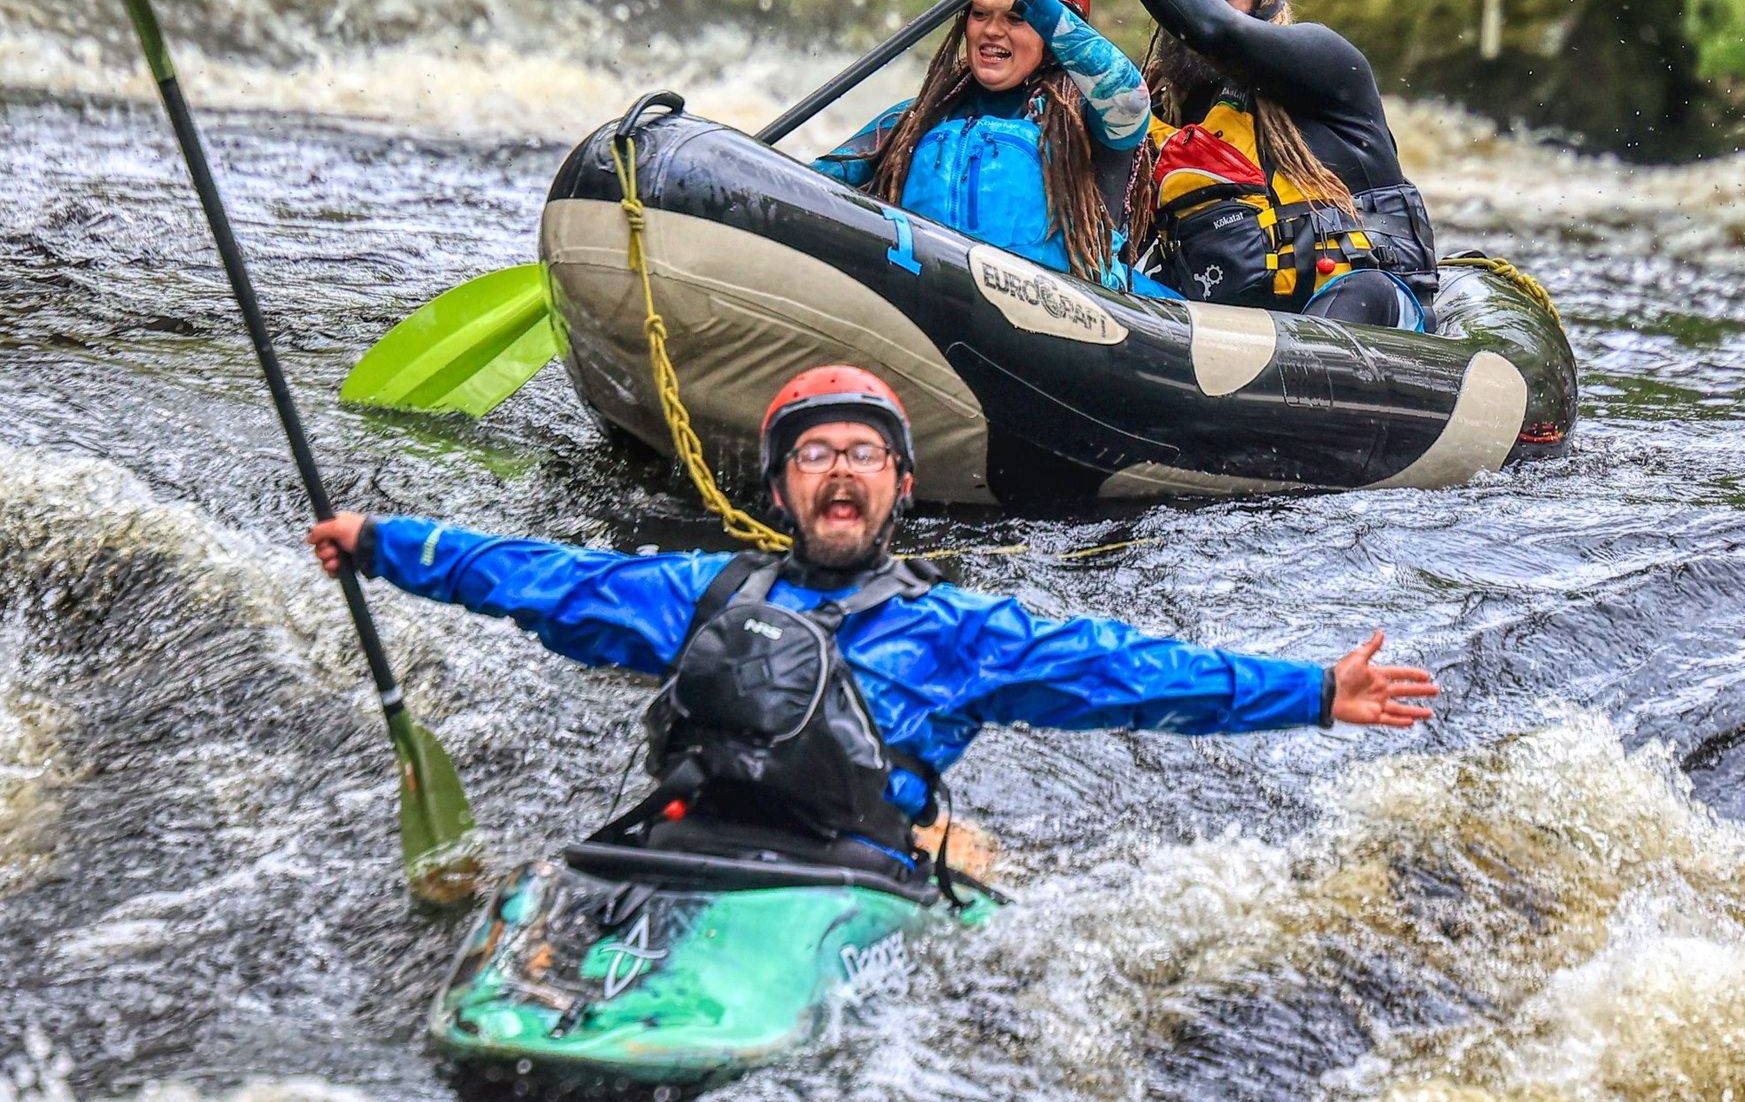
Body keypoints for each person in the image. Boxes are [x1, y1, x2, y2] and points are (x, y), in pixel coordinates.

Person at [307, 365, 1437, 878]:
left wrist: (1315, 694)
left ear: (899, 489)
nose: (839, 471)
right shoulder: (696, 594)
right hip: (683, 846)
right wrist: (381, 544)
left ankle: (949, 848)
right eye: (815, 454)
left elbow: (1131, 671)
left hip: (844, 875)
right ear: (782, 488)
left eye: (864, 455)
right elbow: (539, 578)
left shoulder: (961, 634)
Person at [1037, 0, 1441, 330]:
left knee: (1365, 289)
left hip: (1369, 314)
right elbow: (1106, 245)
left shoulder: (1328, 67)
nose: (1185, 10)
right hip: (1226, 334)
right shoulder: (1154, 116)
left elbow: (1215, 30)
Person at [812, 0, 1173, 294]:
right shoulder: (916, 120)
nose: (991, 31)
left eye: (1016, 18)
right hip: (927, 309)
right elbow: (812, 184)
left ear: (1055, 33)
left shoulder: (1084, 119)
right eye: (980, 14)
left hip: (1059, 323)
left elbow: (1130, 101)